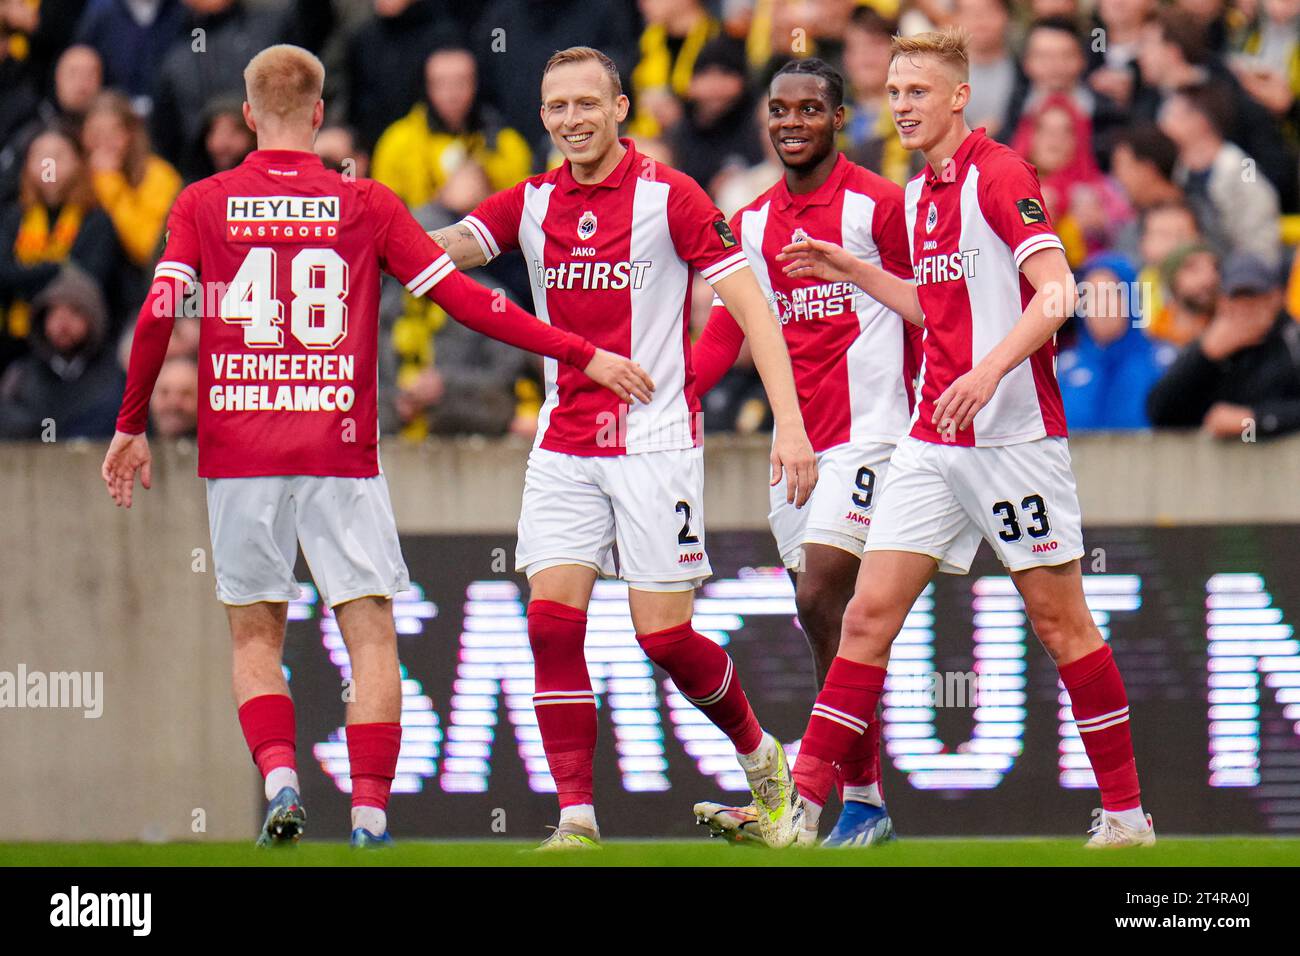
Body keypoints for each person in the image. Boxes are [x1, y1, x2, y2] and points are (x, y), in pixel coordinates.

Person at [100, 43, 653, 850]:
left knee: (257, 635)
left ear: (250, 116)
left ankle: (283, 783)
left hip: (241, 452)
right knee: (369, 634)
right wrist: (578, 350)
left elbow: (155, 314)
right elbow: (469, 301)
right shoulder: (365, 202)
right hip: (340, 450)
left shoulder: (203, 203)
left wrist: (130, 422)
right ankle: (368, 817)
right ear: (320, 115)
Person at [428, 45, 818, 849]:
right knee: (548, 625)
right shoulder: (529, 203)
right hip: (564, 445)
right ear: (543, 117)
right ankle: (576, 817)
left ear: (619, 110)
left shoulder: (670, 197)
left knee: (663, 637)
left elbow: (751, 303)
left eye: (586, 104)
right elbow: (445, 249)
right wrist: (360, 232)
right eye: (557, 107)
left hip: (654, 445)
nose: (572, 120)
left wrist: (790, 421)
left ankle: (760, 756)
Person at [774, 27, 1155, 847]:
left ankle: (1127, 816)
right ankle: (800, 809)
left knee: (1062, 625)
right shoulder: (918, 195)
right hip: (930, 442)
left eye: (918, 91)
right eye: (895, 91)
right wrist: (854, 270)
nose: (902, 105)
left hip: (1012, 440)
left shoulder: (1001, 173)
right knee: (866, 615)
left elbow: (1057, 295)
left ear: (958, 97)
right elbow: (931, 305)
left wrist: (986, 374)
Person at [688, 59, 920, 848]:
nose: (791, 122)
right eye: (779, 110)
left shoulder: (879, 205)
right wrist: (670, 390)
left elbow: (926, 309)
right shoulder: (748, 221)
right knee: (823, 619)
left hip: (877, 431)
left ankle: (822, 800)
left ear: (840, 117)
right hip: (795, 447)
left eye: (810, 109)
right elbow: (733, 327)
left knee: (828, 593)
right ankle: (864, 800)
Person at [1147, 252, 1300, 438]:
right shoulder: (1212, 350)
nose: (1245, 308)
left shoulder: (1292, 341)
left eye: (1253, 296)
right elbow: (1160, 414)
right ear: (1222, 302)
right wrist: (1204, 356)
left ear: (1275, 298)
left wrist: (1252, 421)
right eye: (1236, 298)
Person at [371, 47, 532, 208]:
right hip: (422, 228)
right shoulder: (398, 140)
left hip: (486, 227)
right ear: (426, 87)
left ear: (476, 85)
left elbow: (525, 207)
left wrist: (486, 193)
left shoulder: (504, 141)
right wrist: (440, 202)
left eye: (461, 83)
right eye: (441, 84)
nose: (451, 95)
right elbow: (382, 211)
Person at [0, 265, 124, 440]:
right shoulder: (20, 376)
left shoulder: (115, 376)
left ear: (95, 319)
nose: (62, 324)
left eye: (74, 312)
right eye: (54, 313)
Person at [1058, 253, 1165, 429]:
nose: (1101, 305)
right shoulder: (1063, 368)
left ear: (1132, 299)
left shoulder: (1161, 364)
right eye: (1090, 295)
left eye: (1112, 294)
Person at [81, 90, 183, 269]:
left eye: (114, 133)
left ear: (131, 135)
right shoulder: (75, 174)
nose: (105, 143)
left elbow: (148, 248)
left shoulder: (158, 174)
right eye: (96, 133)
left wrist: (109, 182)